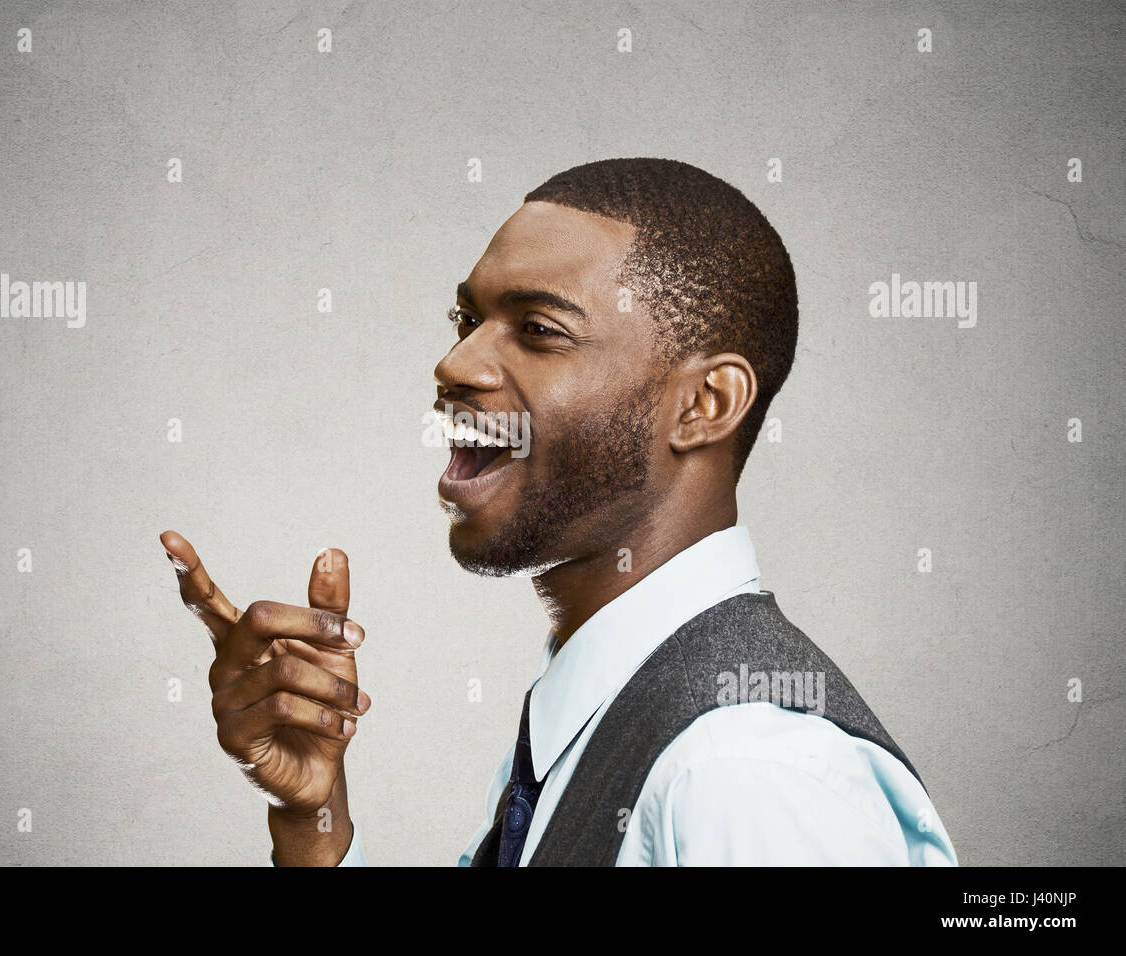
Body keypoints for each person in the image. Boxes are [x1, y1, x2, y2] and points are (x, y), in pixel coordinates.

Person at [160, 157, 958, 866]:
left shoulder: (743, 772)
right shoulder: (599, 714)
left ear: (705, 405)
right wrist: (313, 823)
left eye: (539, 330)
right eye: (468, 321)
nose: (454, 362)